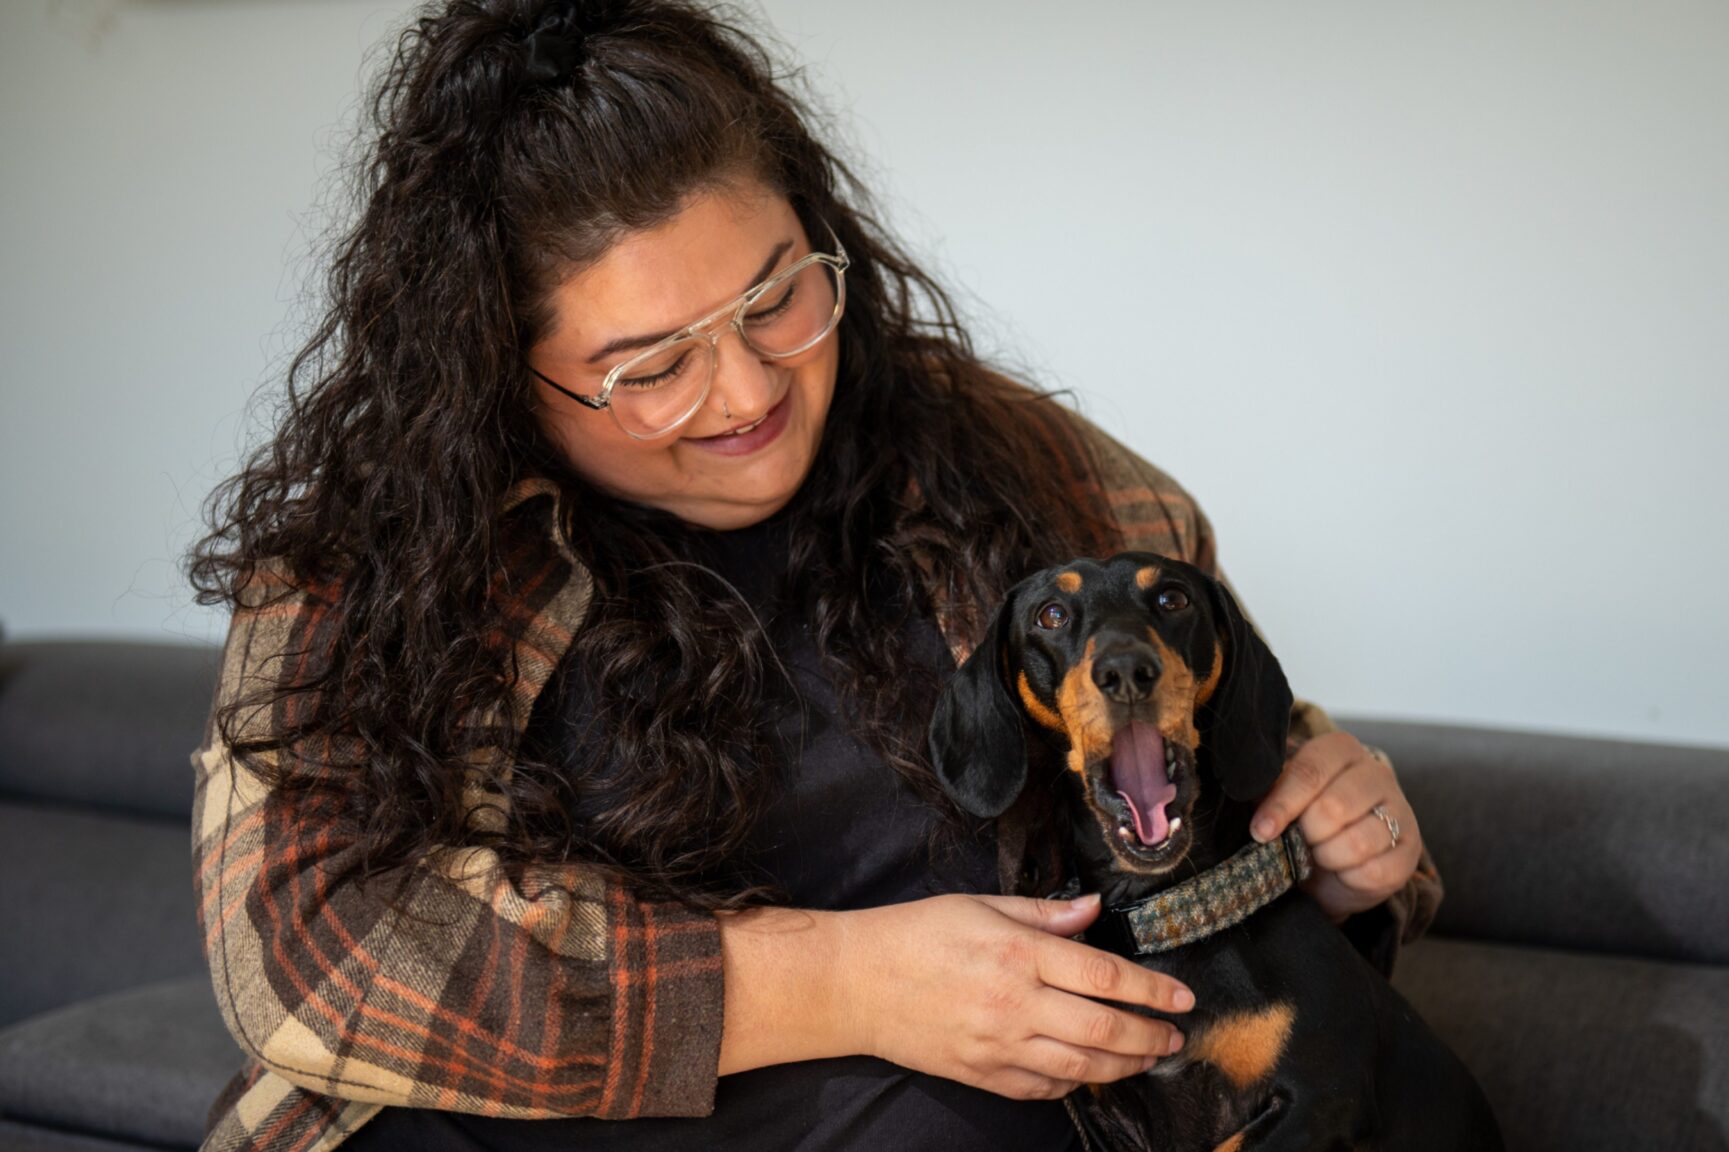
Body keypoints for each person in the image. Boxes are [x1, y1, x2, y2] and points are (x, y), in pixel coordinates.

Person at [187, 1, 1441, 1149]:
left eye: (777, 296)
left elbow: (1203, 742)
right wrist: (834, 985)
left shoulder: (1027, 468)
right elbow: (298, 948)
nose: (745, 393)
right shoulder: (379, 559)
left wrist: (1331, 832)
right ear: (496, 376)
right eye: (650, 368)